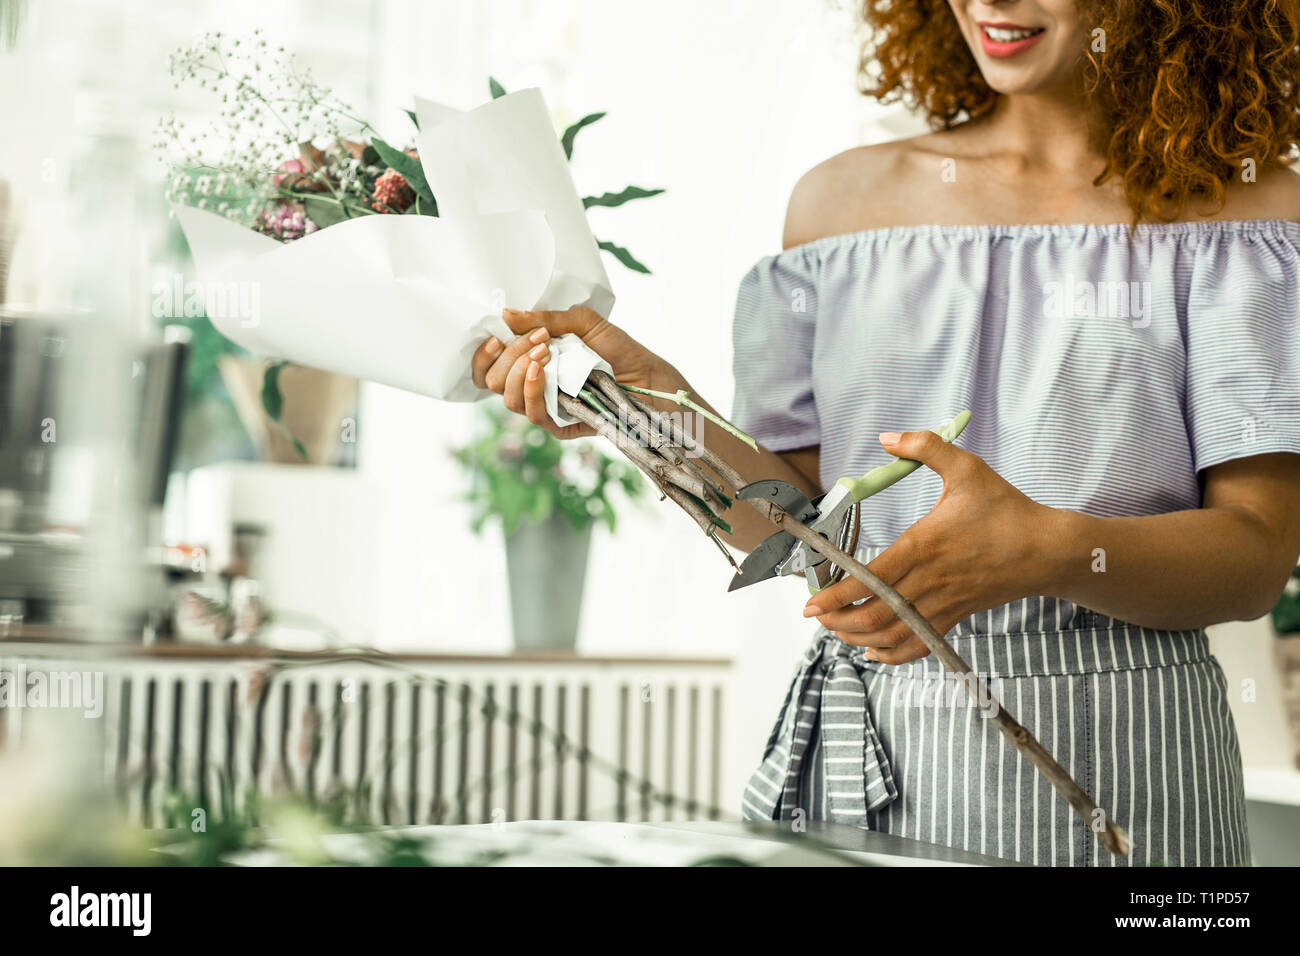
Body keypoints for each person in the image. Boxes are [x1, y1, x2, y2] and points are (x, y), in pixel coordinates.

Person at [470, 0, 1300, 865]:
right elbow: (791, 523)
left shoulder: (1250, 219)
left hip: (1133, 773)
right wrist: (647, 403)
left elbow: (1256, 555)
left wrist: (1051, 549)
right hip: (880, 766)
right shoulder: (839, 212)